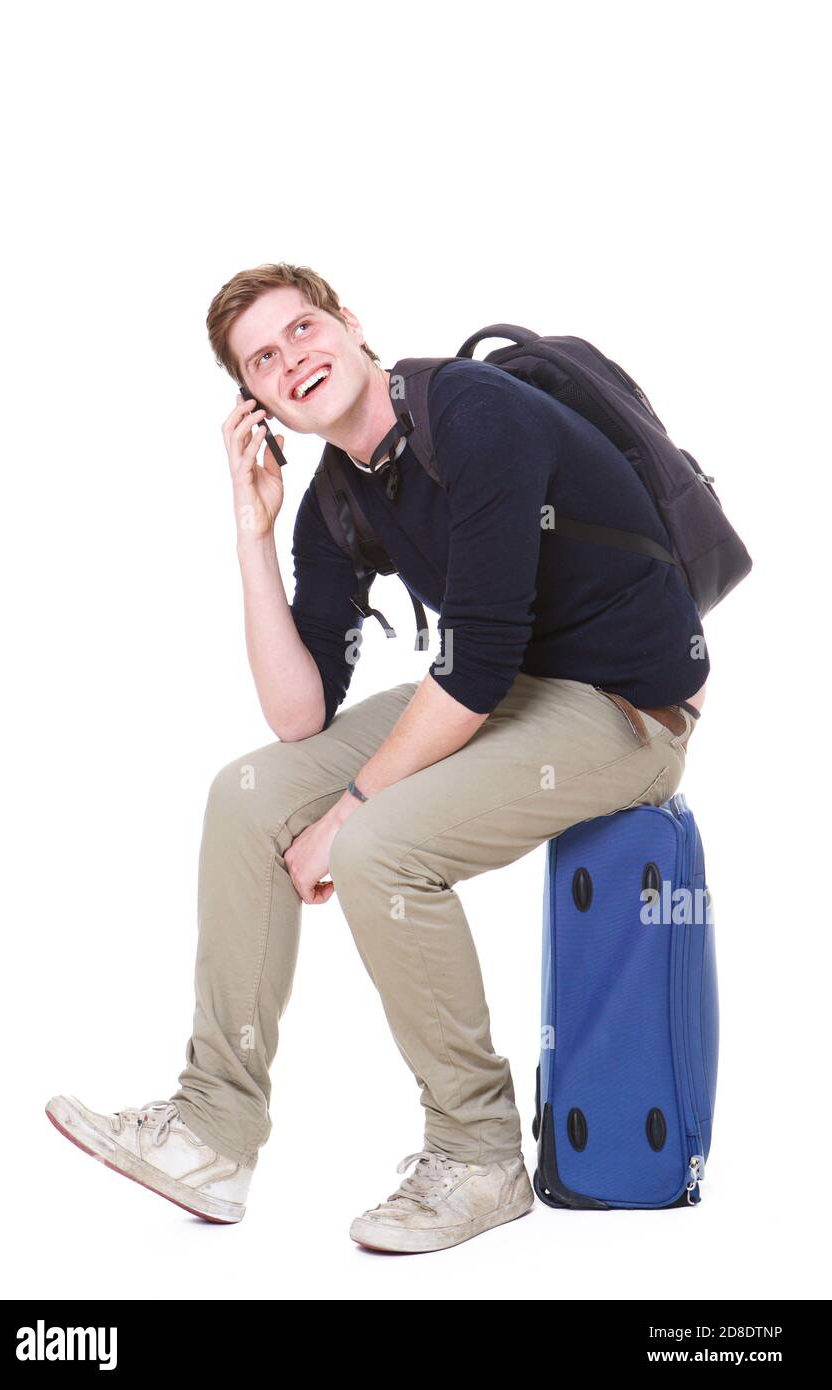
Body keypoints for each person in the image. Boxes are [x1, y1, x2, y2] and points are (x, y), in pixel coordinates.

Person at [46, 262, 707, 1252]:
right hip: (516, 689)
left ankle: (476, 1152)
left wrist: (346, 815)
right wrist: (251, 529)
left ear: (351, 326)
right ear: (255, 401)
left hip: (626, 707)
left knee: (377, 847)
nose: (291, 359)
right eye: (261, 360)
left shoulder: (475, 416)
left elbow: (473, 668)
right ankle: (212, 1133)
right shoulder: (340, 497)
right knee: (248, 795)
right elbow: (298, 713)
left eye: (302, 328)